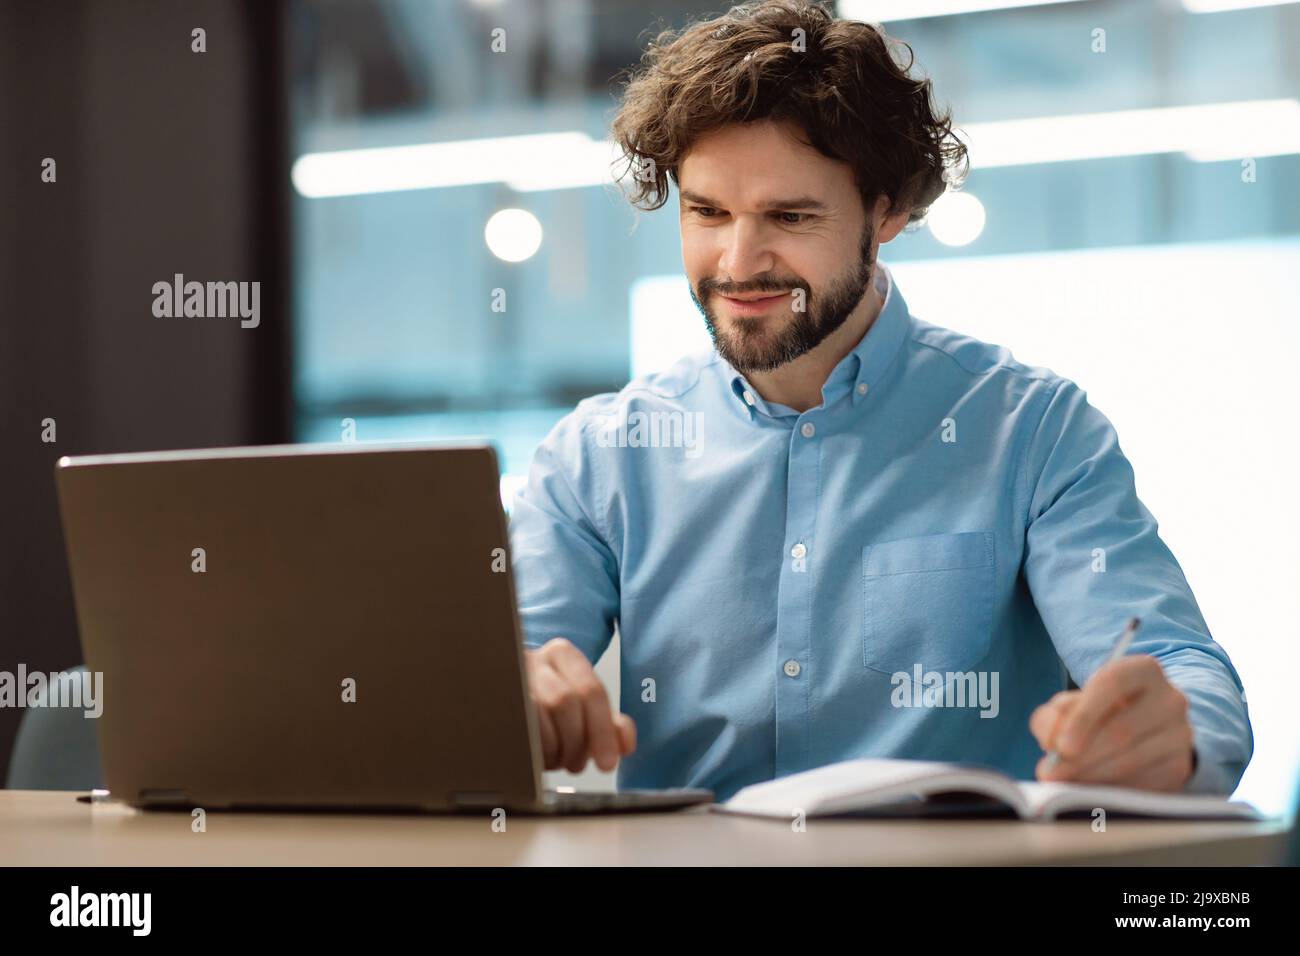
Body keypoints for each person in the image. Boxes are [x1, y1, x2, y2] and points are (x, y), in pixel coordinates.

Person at [508, 0, 1252, 803]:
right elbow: (495, 667)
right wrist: (516, 689)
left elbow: (1181, 667)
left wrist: (1169, 734)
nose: (739, 260)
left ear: (887, 210)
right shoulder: (600, 458)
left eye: (790, 216)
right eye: (707, 213)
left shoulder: (1031, 433)